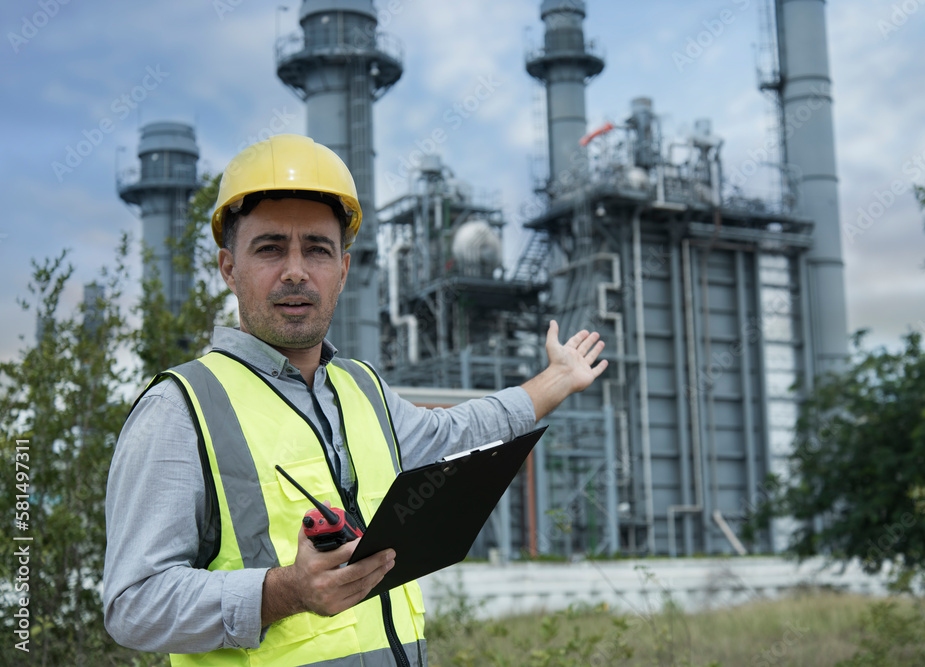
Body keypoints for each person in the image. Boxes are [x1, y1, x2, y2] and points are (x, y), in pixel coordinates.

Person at [103, 134, 608, 666]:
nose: (295, 270)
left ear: (342, 271)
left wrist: (556, 379)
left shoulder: (362, 389)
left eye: (317, 249)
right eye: (270, 248)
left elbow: (458, 433)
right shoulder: (182, 408)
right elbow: (133, 604)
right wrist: (283, 592)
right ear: (229, 268)